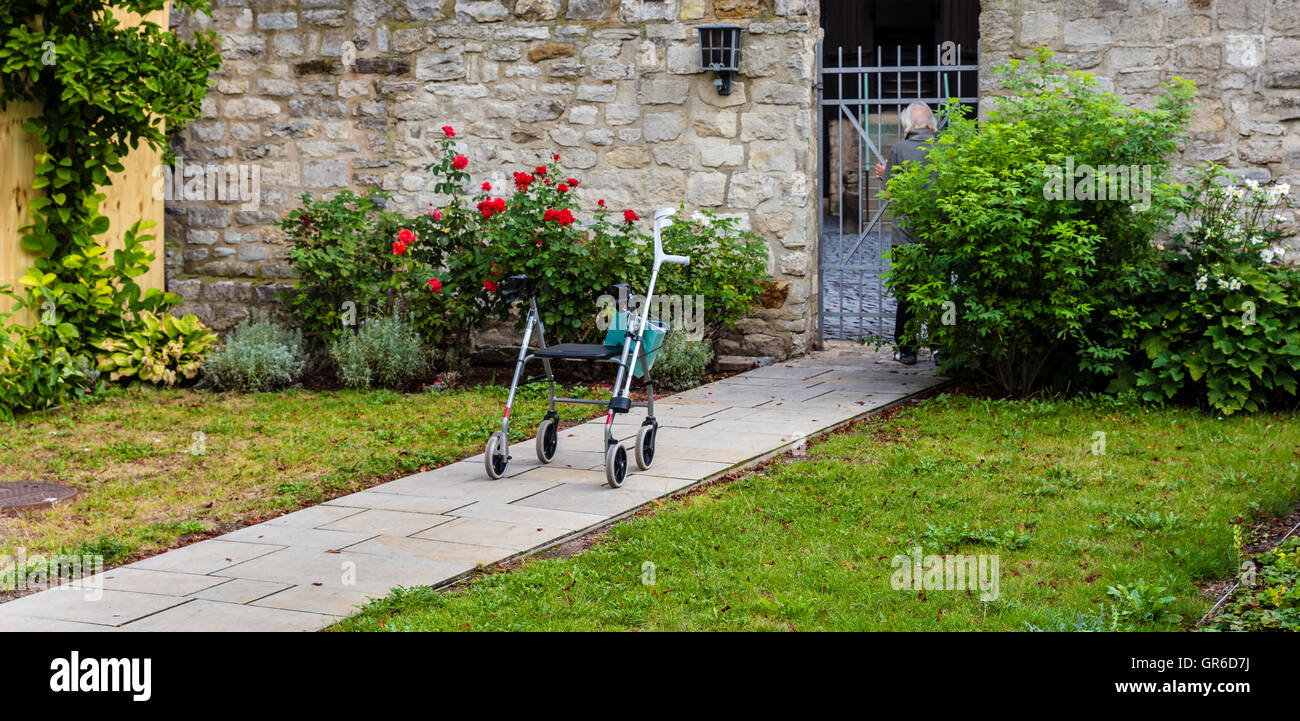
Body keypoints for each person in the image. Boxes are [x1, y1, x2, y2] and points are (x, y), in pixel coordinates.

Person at [875, 102, 936, 366]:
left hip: (906, 236)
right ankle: (941, 348)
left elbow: (890, 193)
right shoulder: (944, 149)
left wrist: (883, 175)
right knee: (939, 293)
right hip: (938, 235)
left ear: (907, 125)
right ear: (931, 124)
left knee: (906, 293)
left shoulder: (899, 149)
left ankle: (907, 350)